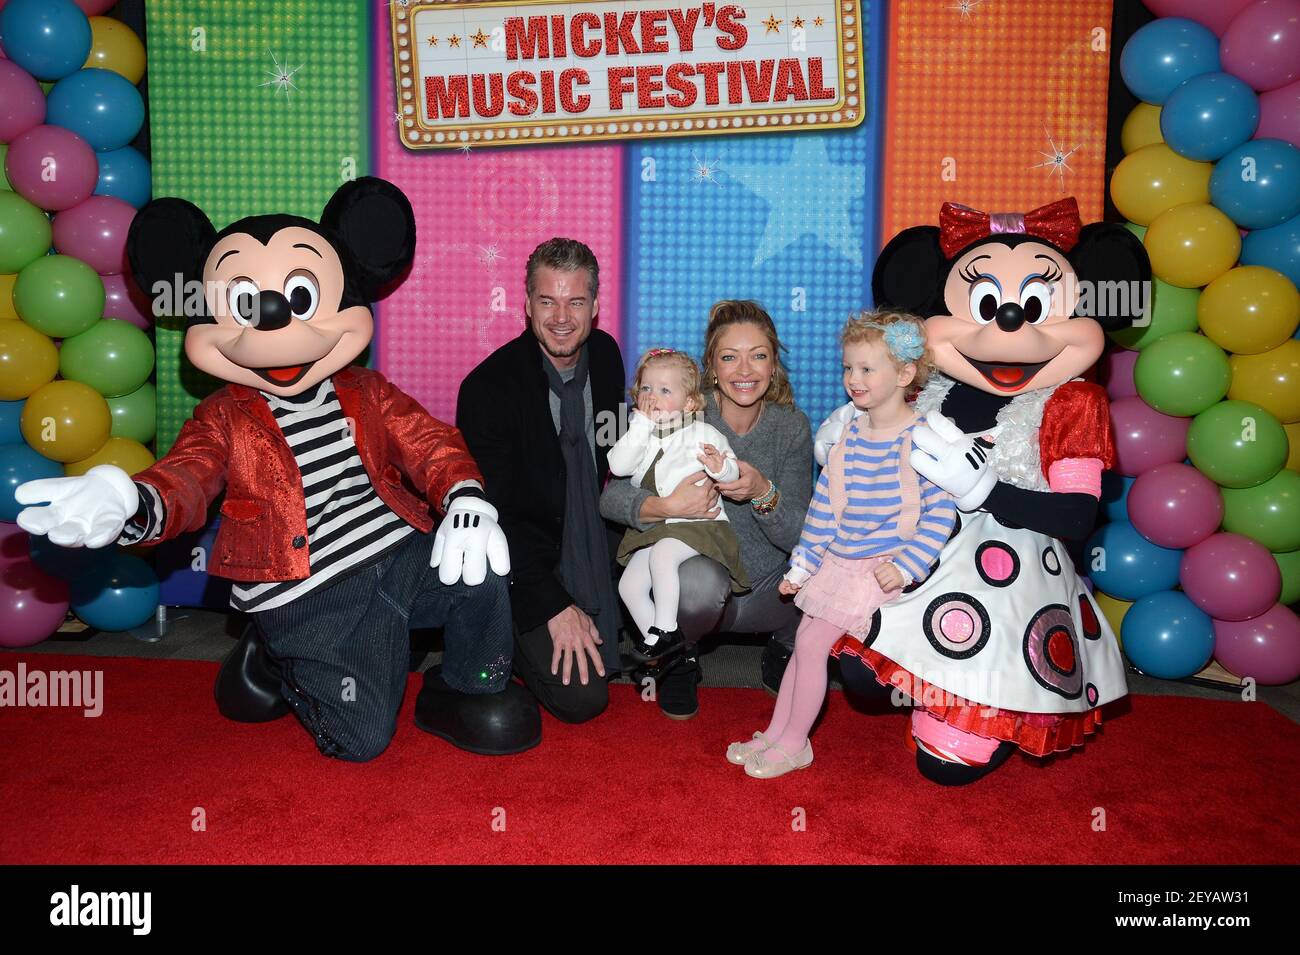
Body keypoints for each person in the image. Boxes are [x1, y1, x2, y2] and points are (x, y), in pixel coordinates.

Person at [16, 178, 541, 761]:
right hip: (305, 591)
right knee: (360, 743)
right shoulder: (222, 416)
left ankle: (464, 690)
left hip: (399, 559)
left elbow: (427, 441)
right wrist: (135, 503)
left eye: (299, 299)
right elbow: (186, 478)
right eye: (246, 304)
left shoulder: (364, 389)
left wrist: (465, 495)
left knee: (483, 559)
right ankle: (275, 657)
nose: (276, 328)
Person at [728, 311, 956, 778]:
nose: (853, 379)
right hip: (838, 562)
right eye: (848, 368)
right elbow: (825, 511)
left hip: (881, 567)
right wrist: (802, 566)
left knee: (811, 645)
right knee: (805, 644)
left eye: (867, 369)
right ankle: (777, 733)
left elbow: (942, 513)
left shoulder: (922, 439)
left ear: (905, 374)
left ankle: (795, 743)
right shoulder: (849, 436)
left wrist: (908, 564)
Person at [600, 300, 813, 718]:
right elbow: (610, 497)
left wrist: (762, 491)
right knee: (688, 579)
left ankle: (783, 647)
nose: (745, 370)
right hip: (700, 577)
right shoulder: (678, 408)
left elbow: (800, 533)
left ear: (773, 366)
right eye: (730, 357)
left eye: (758, 356)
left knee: (825, 574)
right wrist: (664, 505)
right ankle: (679, 659)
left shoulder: (791, 426)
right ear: (711, 367)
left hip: (769, 586)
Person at [457, 238, 625, 724]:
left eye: (575, 301)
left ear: (594, 306)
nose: (561, 317)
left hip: (588, 533)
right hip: (522, 556)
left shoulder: (608, 358)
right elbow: (499, 516)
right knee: (584, 700)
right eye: (547, 301)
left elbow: (613, 460)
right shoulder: (488, 390)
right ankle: (498, 636)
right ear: (527, 305)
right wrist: (552, 604)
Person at [609, 347, 750, 660]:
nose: (652, 396)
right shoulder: (642, 434)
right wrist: (640, 426)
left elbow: (732, 469)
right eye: (645, 388)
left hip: (700, 525)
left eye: (664, 390)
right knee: (628, 586)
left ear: (688, 402)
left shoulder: (701, 431)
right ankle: (669, 649)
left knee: (662, 556)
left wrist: (718, 467)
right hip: (662, 527)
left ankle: (666, 630)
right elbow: (618, 467)